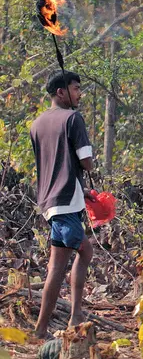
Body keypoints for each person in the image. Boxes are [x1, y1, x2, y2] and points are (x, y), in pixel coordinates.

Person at [29, 71, 95, 339]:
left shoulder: (36, 124)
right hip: (66, 202)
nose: (79, 94)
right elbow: (86, 161)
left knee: (85, 251)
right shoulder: (73, 118)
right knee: (57, 267)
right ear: (61, 92)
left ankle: (75, 314)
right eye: (76, 89)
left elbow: (55, 164)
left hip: (50, 202)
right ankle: (41, 329)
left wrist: (84, 191)